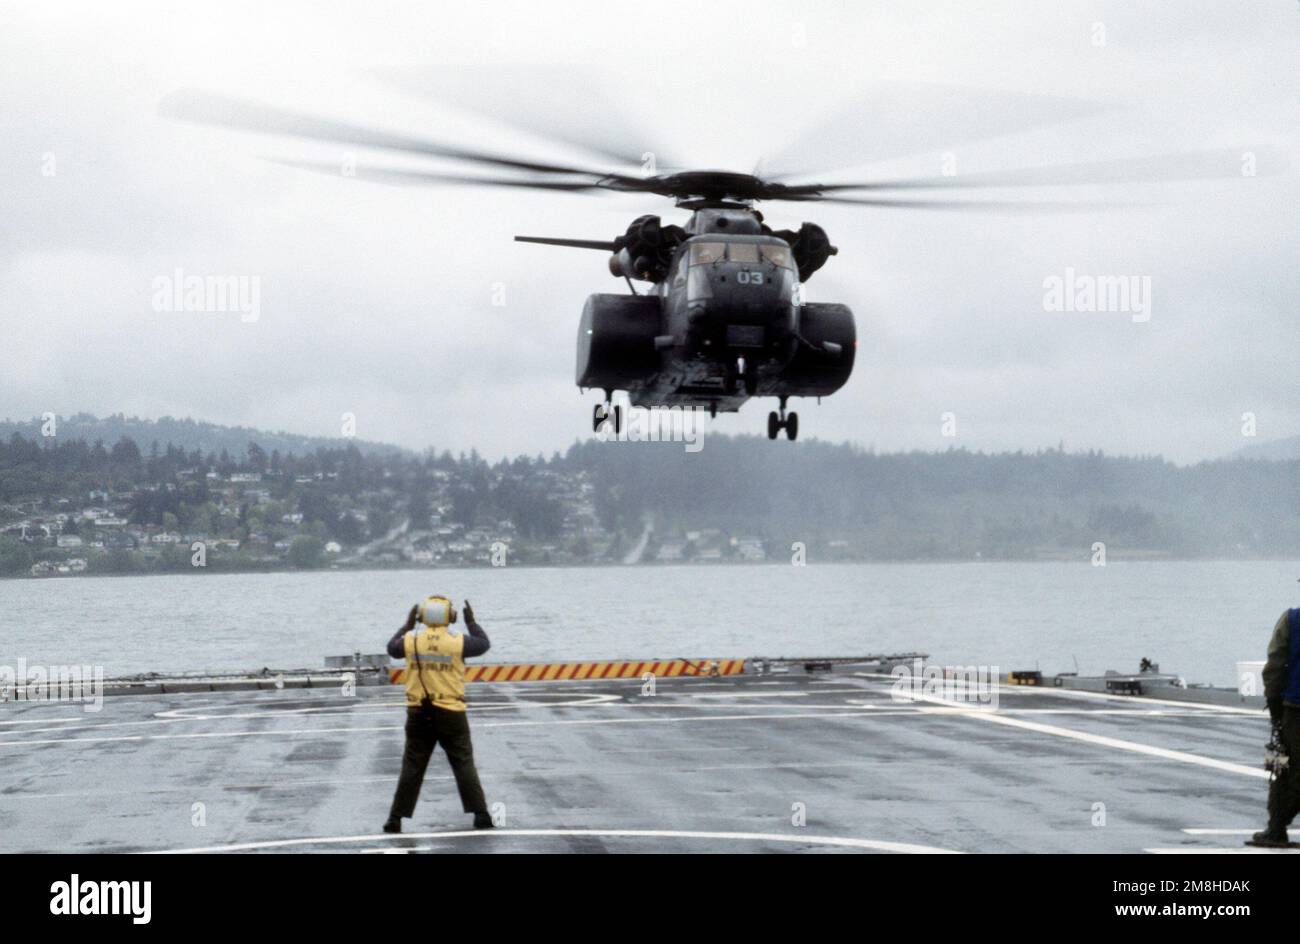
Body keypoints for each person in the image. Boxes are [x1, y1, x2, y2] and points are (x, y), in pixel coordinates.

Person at [382, 595, 493, 834]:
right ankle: (480, 814)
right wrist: (472, 622)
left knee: (412, 765)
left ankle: (395, 819)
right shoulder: (457, 641)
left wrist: (408, 625)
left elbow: (391, 648)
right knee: (463, 762)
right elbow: (483, 644)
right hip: (451, 710)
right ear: (450, 617)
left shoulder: (412, 640)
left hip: (418, 711)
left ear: (421, 616)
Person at [1253, 603, 1300, 847]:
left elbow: (1275, 664)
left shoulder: (1292, 620)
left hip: (1294, 709)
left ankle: (1276, 827)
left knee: (1282, 768)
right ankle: (1276, 827)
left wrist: (1274, 704)